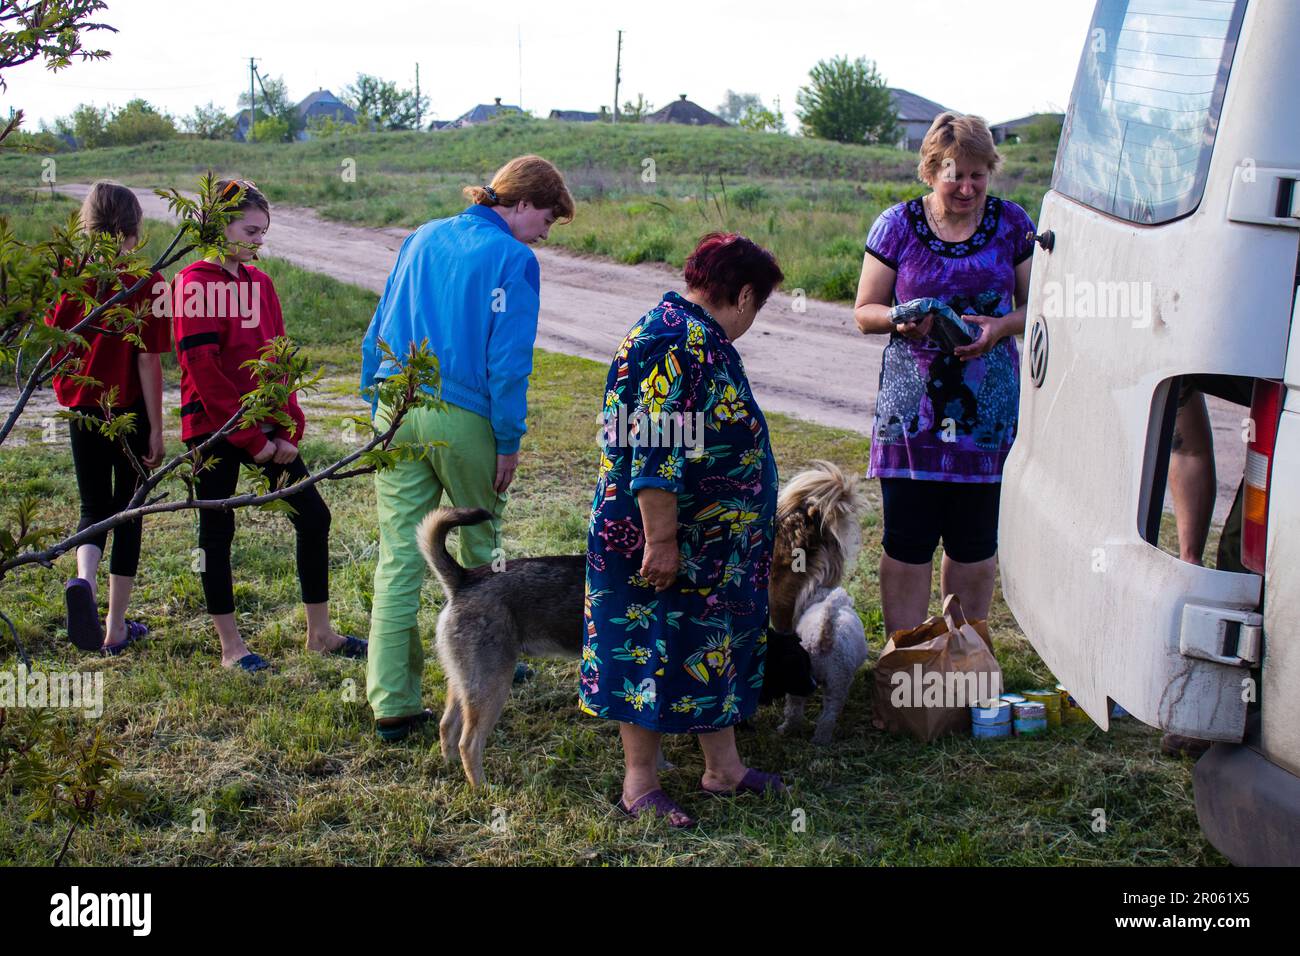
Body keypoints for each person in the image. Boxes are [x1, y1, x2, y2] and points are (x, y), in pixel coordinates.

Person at [360, 155, 574, 741]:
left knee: (402, 554)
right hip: (467, 415)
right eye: (548, 220)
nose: (545, 234)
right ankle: (495, 648)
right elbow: (508, 362)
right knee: (481, 546)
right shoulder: (513, 258)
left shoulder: (421, 236)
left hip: (396, 406)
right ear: (523, 203)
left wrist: (372, 397)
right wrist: (508, 438)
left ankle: (394, 702)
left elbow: (379, 322)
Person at [583, 232, 786, 828]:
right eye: (761, 304)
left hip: (712, 550)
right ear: (745, 295)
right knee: (649, 652)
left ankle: (722, 769)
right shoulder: (675, 339)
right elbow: (654, 453)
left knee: (706, 651)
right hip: (662, 541)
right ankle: (638, 785)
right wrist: (663, 541)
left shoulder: (697, 336)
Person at [853, 112, 1035, 636]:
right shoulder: (896, 225)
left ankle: (962, 658)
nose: (967, 186)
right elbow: (865, 311)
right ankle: (905, 660)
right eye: (955, 174)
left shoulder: (1013, 224)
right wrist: (900, 319)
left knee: (974, 542)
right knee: (907, 542)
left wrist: (1000, 327)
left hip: (987, 415)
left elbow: (1042, 308)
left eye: (978, 174)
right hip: (912, 414)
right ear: (931, 171)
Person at [173, 179, 365, 672]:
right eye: (250, 230)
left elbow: (278, 358)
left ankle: (320, 634)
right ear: (219, 225)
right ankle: (231, 647)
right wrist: (250, 439)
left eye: (264, 231)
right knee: (216, 531)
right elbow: (203, 370)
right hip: (212, 430)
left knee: (313, 516)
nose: (259, 240)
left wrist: (287, 428)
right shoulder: (194, 283)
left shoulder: (260, 284)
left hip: (268, 429)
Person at [47, 181, 168, 654]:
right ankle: (116, 628)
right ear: (135, 224)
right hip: (129, 411)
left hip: (83, 408)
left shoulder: (71, 274)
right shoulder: (147, 281)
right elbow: (147, 359)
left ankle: (85, 584)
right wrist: (157, 427)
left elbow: (58, 344)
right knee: (129, 513)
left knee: (92, 507)